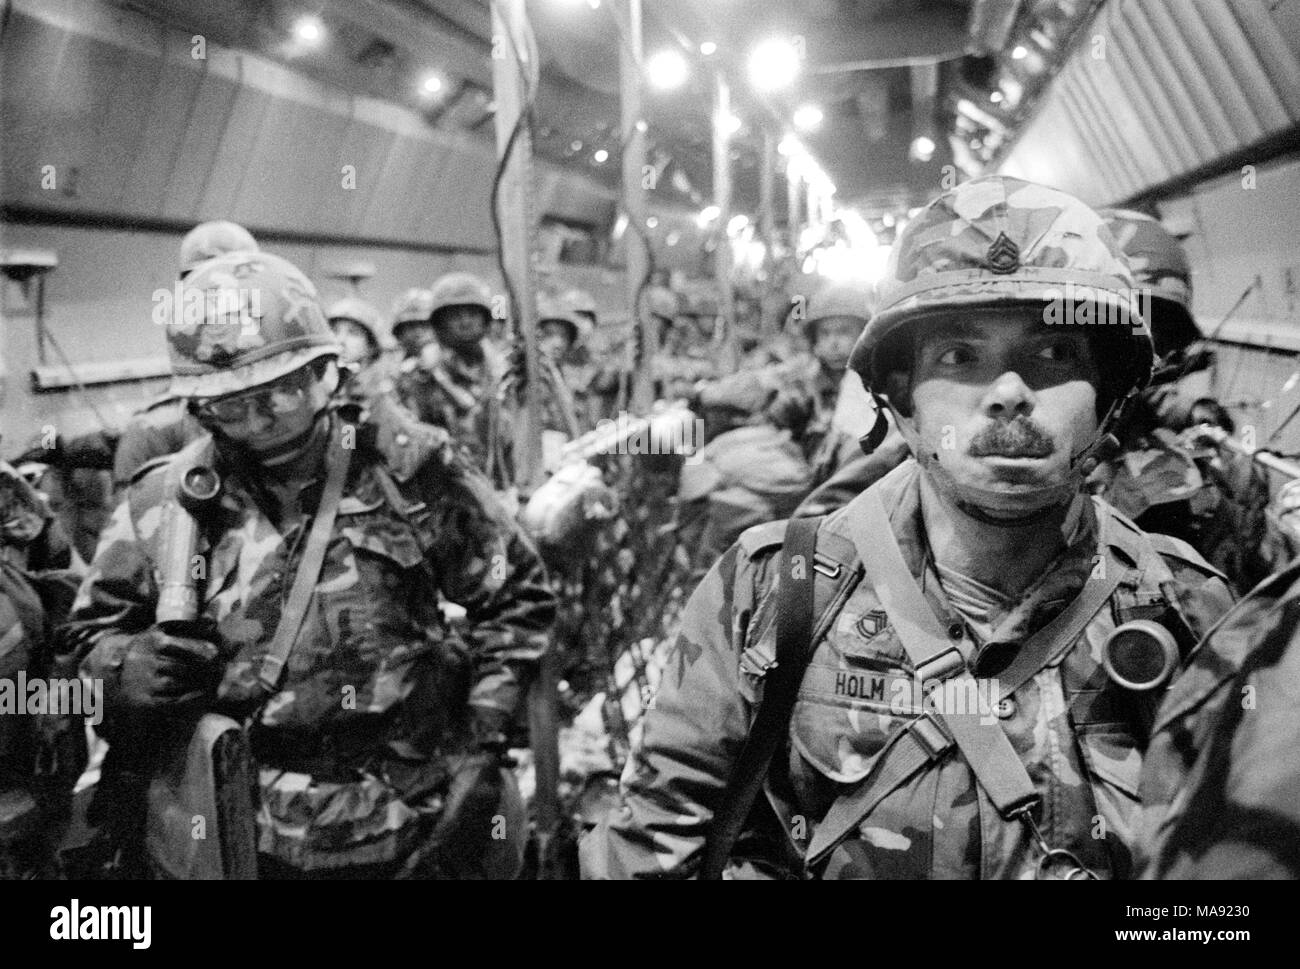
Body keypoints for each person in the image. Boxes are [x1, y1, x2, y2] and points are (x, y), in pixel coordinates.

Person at [580, 175, 1234, 880]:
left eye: (1054, 353)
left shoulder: (1184, 610)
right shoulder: (772, 592)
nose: (1009, 393)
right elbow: (650, 855)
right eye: (959, 356)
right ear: (900, 396)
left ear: (1109, 391)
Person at [61, 251, 557, 879]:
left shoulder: (409, 470)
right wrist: (117, 669)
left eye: (277, 394)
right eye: (228, 405)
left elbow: (518, 600)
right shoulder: (166, 500)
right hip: (234, 832)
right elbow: (81, 642)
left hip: (405, 822)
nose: (257, 421)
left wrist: (484, 746)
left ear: (323, 370)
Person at [1090, 209, 1268, 593]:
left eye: (1161, 335)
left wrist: (1192, 410)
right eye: (1125, 324)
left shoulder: (1123, 389)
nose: (1150, 354)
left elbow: (1143, 397)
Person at [397, 272, 514, 486]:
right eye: (455, 315)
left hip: (497, 484)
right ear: (439, 323)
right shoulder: (417, 375)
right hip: (439, 488)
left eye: (472, 313)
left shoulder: (502, 371)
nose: (465, 321)